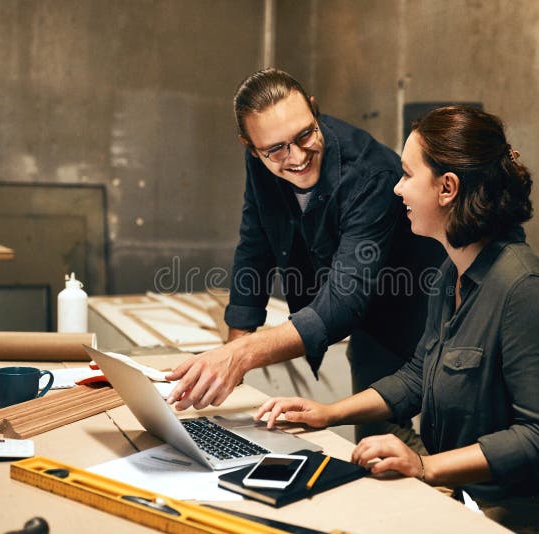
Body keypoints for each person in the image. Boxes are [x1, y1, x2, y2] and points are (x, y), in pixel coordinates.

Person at [254, 106, 539, 533]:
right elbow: (418, 376)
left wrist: (425, 466)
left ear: (447, 187)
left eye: (407, 175)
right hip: (467, 499)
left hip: (520, 516)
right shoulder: (449, 274)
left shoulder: (523, 289)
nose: (398, 190)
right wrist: (328, 413)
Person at [165, 68, 445, 446]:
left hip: (411, 304)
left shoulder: (370, 173)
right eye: (275, 149)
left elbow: (344, 301)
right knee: (378, 437)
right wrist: (234, 353)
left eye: (305, 135)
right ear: (250, 146)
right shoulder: (264, 159)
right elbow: (256, 245)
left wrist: (240, 356)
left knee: (413, 435)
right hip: (363, 316)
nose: (296, 157)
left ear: (314, 109)